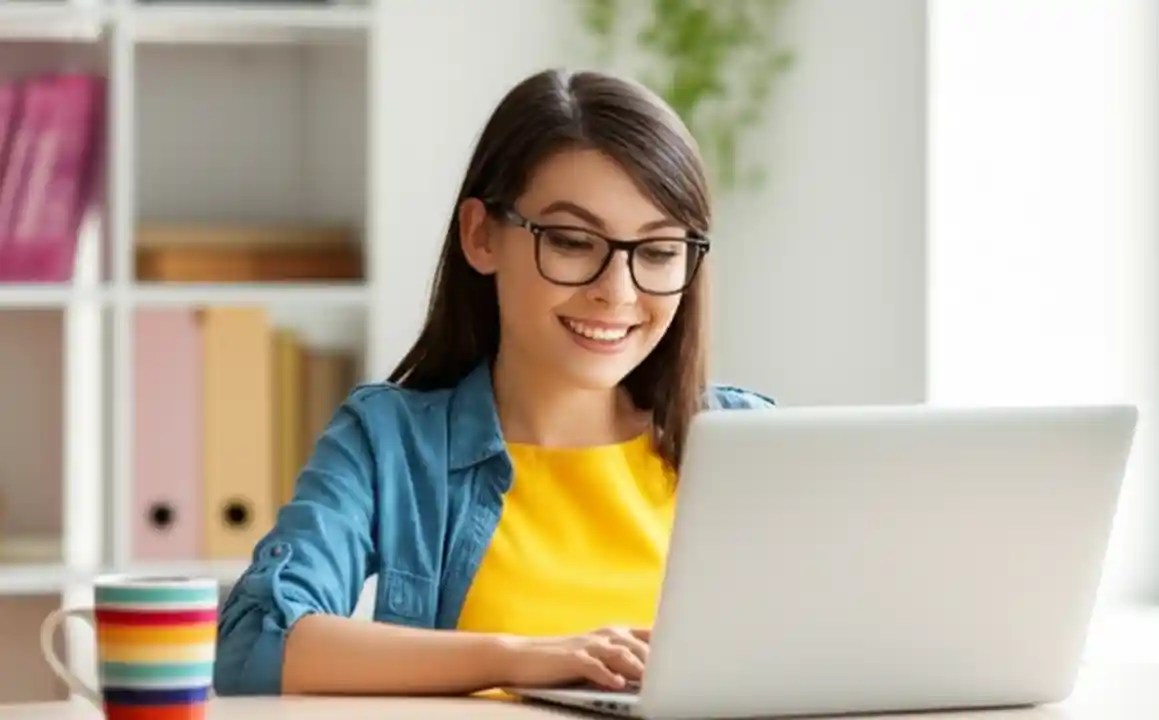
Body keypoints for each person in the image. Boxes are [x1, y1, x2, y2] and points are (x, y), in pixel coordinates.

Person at [213, 68, 773, 698]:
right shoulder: (390, 444)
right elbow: (255, 645)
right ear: (482, 236)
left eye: (659, 251)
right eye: (571, 241)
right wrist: (520, 658)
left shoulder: (748, 443)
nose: (617, 292)